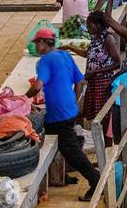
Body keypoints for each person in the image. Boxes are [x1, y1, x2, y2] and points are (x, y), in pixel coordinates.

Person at [29, 28, 100, 198]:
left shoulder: (46, 60)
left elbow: (38, 86)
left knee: (70, 151)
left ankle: (95, 179)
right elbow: (80, 81)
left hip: (57, 114)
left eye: (37, 42)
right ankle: (61, 175)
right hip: (69, 111)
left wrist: (22, 99)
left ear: (45, 43)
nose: (36, 46)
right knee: (60, 144)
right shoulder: (65, 56)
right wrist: (73, 102)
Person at [70, 10, 122, 121]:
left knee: (103, 117)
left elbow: (117, 63)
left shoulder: (108, 39)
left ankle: (105, 138)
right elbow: (88, 54)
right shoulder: (95, 38)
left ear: (98, 25)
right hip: (93, 82)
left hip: (103, 83)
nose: (87, 28)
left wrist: (95, 72)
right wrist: (70, 48)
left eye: (89, 25)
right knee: (95, 117)